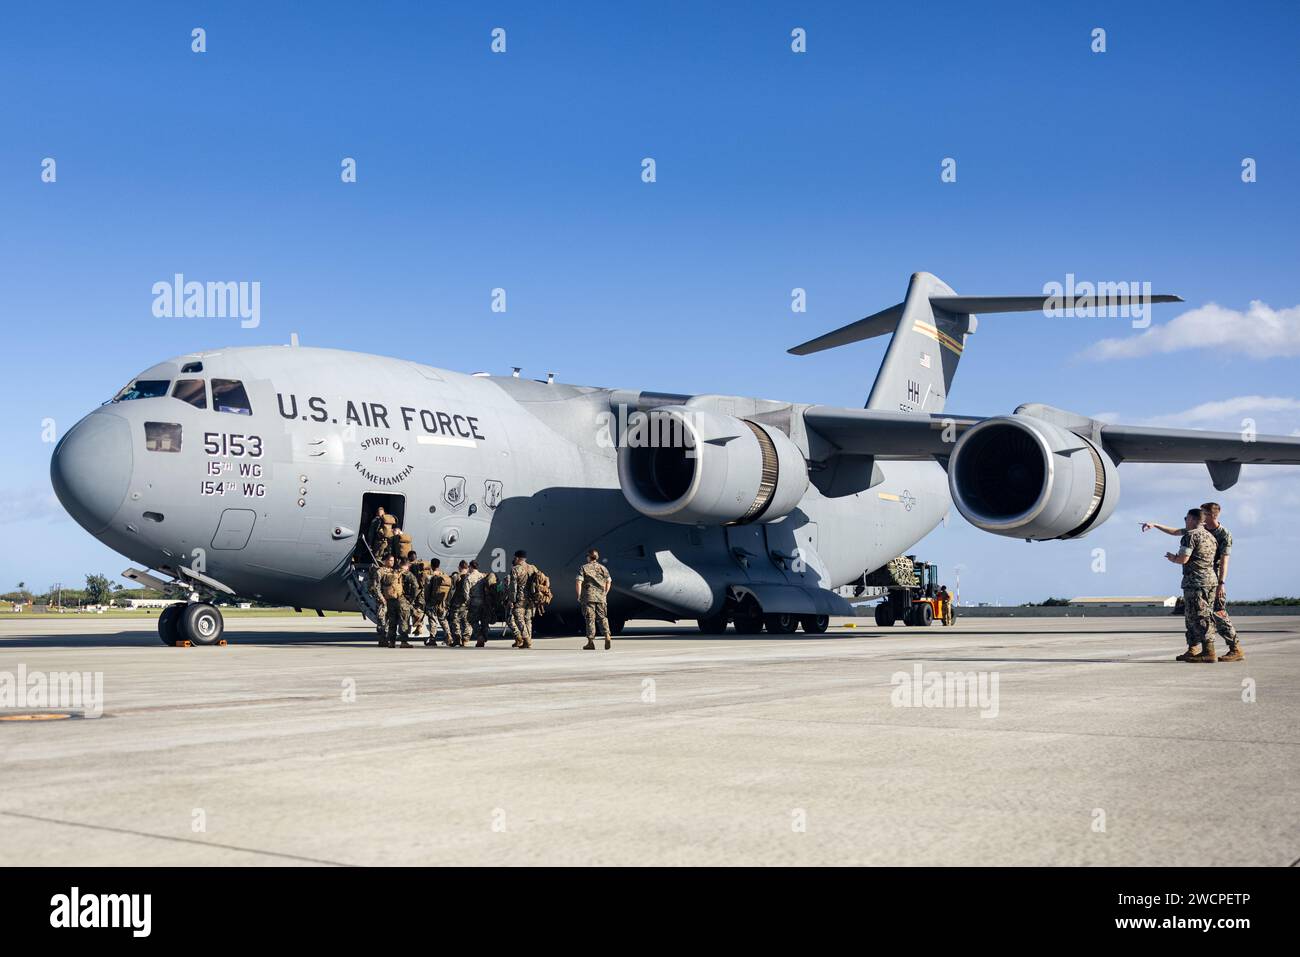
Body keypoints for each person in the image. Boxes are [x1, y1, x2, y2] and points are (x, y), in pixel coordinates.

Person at [1146, 507, 1219, 662]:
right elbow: (1174, 532)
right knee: (1198, 615)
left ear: (1192, 519)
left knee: (1198, 616)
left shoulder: (1190, 536)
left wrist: (1173, 558)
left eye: (1186, 518)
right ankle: (1193, 649)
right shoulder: (1209, 536)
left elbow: (1183, 559)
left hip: (1196, 582)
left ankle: (1208, 652)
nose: (1185, 521)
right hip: (1210, 581)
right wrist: (1156, 525)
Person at [1200, 502, 1243, 661]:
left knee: (1219, 612)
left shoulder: (1224, 534)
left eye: (1203, 513)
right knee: (1202, 613)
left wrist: (1221, 583)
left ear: (1212, 515)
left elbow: (1225, 560)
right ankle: (1200, 649)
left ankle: (1235, 648)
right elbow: (1178, 531)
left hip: (1216, 578)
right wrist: (1155, 525)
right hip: (1204, 578)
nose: (1201, 516)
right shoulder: (1201, 530)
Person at [575, 549, 613, 650]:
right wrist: (605, 593)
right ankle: (607, 635)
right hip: (601, 597)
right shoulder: (603, 568)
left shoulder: (584, 568)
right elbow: (609, 581)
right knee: (602, 617)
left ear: (588, 557)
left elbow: (579, 582)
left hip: (588, 597)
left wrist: (578, 595)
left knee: (590, 619)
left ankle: (590, 642)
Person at [509, 550, 536, 649]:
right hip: (532, 598)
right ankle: (529, 640)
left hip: (521, 598)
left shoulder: (515, 569)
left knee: (519, 618)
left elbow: (513, 587)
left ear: (517, 558)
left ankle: (526, 639)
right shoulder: (532, 568)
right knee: (528, 619)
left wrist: (512, 600)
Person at [425, 558, 452, 647]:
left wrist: (427, 601)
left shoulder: (430, 576)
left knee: (433, 620)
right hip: (442, 602)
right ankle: (449, 636)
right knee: (443, 619)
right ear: (439, 565)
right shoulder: (444, 575)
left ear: (431, 566)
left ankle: (432, 639)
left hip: (432, 602)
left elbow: (427, 590)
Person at [380, 558, 406, 648]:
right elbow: (415, 586)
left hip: (390, 600)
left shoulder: (387, 574)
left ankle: (392, 642)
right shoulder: (402, 574)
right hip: (399, 600)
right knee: (403, 621)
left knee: (392, 623)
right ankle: (403, 642)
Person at [368, 555, 394, 638]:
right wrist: (381, 598)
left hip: (391, 599)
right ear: (385, 561)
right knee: (381, 618)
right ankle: (382, 637)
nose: (392, 562)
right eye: (390, 560)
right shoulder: (380, 572)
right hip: (382, 599)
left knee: (389, 619)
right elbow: (376, 586)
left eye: (393, 560)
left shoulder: (393, 572)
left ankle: (387, 636)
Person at [449, 560, 471, 647]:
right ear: (467, 567)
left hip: (456, 604)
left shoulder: (456, 576)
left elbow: (451, 590)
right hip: (467, 603)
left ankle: (457, 640)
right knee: (466, 622)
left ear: (459, 567)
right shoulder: (470, 576)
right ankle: (465, 640)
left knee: (455, 621)